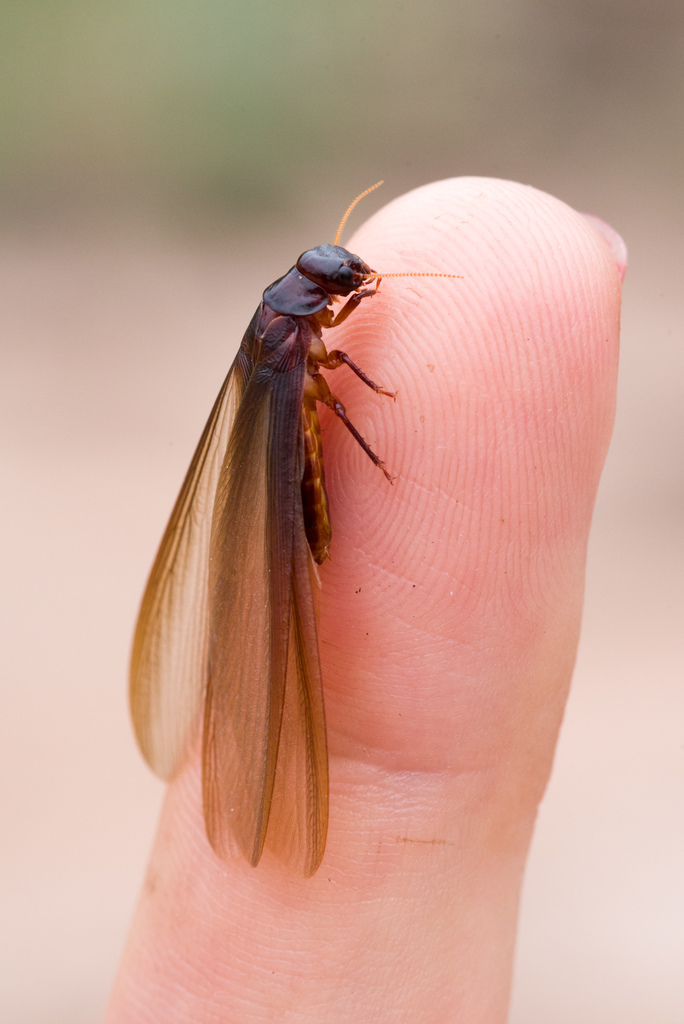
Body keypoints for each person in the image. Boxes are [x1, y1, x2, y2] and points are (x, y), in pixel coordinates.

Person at [106, 176, 625, 1023]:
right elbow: (328, 393)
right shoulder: (301, 343)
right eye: (343, 278)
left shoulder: (289, 323)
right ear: (316, 292)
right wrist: (374, 434)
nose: (353, 282)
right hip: (288, 488)